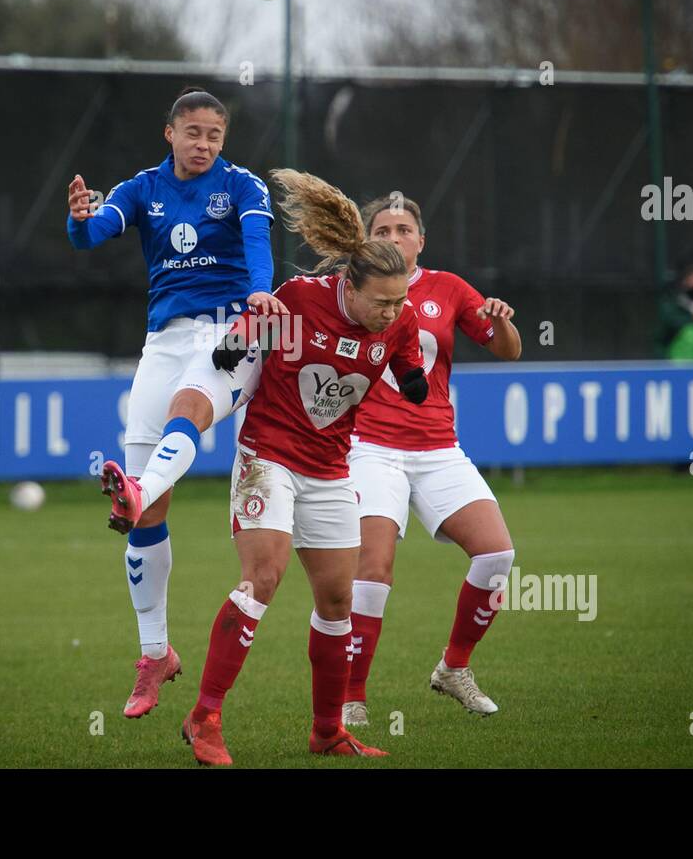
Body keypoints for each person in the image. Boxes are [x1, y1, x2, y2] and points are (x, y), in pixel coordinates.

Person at [179, 169, 428, 766]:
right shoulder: (300, 300)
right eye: (382, 301)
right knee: (262, 579)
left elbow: (413, 378)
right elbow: (239, 345)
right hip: (268, 457)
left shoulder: (399, 322)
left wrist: (417, 381)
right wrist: (235, 342)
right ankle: (204, 717)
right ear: (348, 284)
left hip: (331, 468)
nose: (392, 311)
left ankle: (326, 731)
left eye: (400, 301)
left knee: (339, 600)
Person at [66, 87, 286, 719]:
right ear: (170, 133)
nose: (204, 144)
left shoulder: (242, 186)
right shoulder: (142, 189)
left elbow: (256, 246)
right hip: (162, 341)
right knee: (146, 515)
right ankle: (155, 653)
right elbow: (94, 234)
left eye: (214, 135)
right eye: (193, 133)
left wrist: (260, 296)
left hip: (228, 330)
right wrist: (81, 217)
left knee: (188, 410)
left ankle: (133, 488)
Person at [340, 195, 521, 728]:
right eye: (383, 229)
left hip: (439, 447)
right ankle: (351, 697)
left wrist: (502, 320)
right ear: (367, 239)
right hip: (370, 448)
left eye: (404, 229)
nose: (394, 237)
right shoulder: (351, 287)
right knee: (372, 571)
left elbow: (507, 351)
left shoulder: (450, 289)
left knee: (497, 556)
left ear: (422, 240)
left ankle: (453, 669)